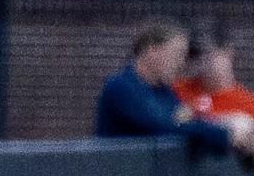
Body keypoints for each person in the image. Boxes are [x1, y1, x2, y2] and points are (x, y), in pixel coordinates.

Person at [94, 18, 242, 157]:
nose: (180, 63)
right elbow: (163, 125)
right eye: (176, 54)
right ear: (152, 50)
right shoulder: (122, 87)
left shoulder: (163, 91)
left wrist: (226, 124)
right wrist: (224, 134)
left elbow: (184, 119)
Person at [174, 26, 254, 170]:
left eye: (209, 54)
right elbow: (168, 122)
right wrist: (225, 121)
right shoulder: (176, 89)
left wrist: (252, 134)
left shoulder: (250, 103)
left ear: (228, 52)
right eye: (197, 55)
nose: (203, 61)